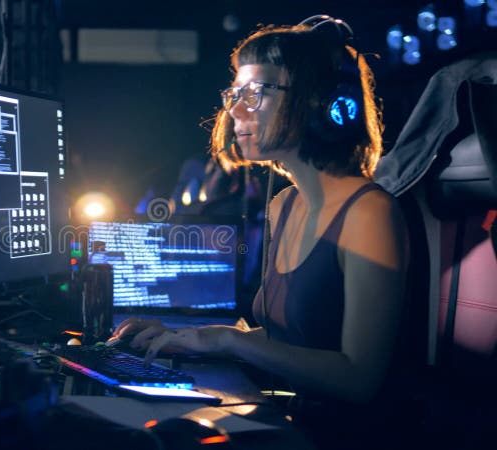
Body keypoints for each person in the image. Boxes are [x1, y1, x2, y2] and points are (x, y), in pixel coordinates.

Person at [112, 15, 411, 449]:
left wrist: (228, 339)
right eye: (235, 92)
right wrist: (193, 340)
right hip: (288, 424)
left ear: (319, 103)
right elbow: (291, 340)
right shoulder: (282, 205)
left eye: (256, 92)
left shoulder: (370, 213)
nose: (234, 109)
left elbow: (358, 378)